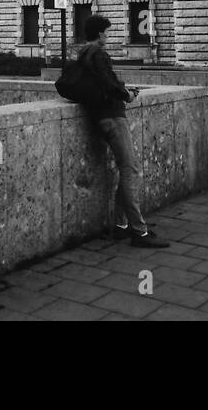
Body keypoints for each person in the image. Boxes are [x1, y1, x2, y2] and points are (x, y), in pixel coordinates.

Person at [78, 15, 168, 249]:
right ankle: (139, 231)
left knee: (126, 169)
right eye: (106, 31)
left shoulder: (83, 54)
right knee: (131, 170)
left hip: (101, 115)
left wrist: (121, 89)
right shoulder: (98, 53)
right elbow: (108, 84)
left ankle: (120, 226)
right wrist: (126, 94)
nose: (108, 35)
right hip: (112, 117)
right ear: (99, 33)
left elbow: (101, 83)